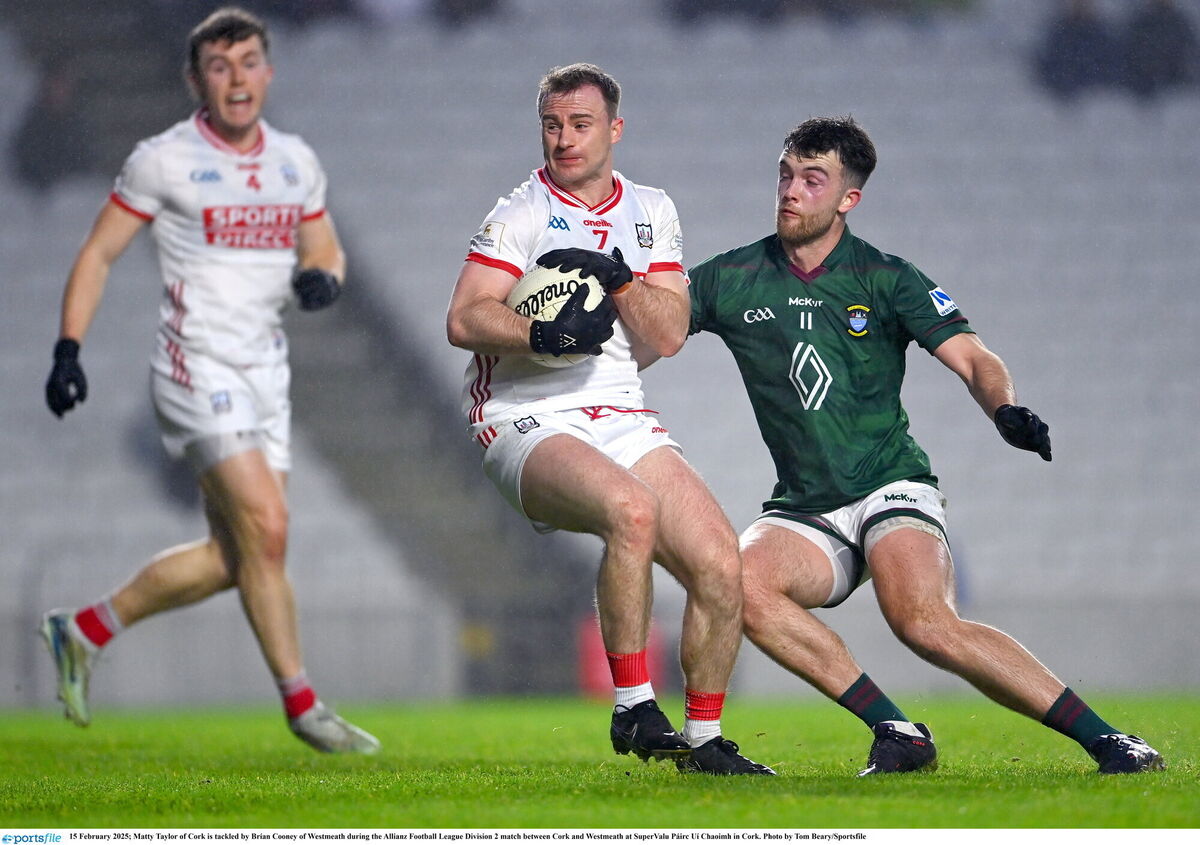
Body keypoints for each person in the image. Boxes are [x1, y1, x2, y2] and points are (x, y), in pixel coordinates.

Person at [687, 116, 1165, 776]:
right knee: (737, 583)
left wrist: (1005, 408)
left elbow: (972, 357)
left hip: (889, 482)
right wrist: (611, 294)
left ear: (848, 198)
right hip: (805, 506)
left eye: (812, 179)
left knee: (924, 622)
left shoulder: (887, 277)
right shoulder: (732, 276)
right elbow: (654, 324)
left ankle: (1109, 739)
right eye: (786, 175)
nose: (791, 191)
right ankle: (898, 730)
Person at [39, 6, 378, 754]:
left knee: (241, 556)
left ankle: (85, 628)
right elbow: (98, 253)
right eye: (220, 67)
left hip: (267, 370)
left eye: (249, 62)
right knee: (271, 528)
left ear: (268, 71)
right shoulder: (161, 159)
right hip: (194, 364)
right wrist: (69, 349)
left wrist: (325, 275)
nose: (237, 79)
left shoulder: (294, 160)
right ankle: (304, 707)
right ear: (196, 80)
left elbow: (322, 243)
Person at [445, 63, 771, 775]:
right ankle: (632, 703)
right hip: (524, 415)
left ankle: (705, 742)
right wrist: (541, 336)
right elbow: (465, 317)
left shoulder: (652, 209)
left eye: (580, 124)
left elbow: (670, 333)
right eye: (552, 125)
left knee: (720, 562)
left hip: (620, 411)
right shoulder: (520, 213)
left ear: (614, 129)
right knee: (630, 510)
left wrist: (616, 276)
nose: (564, 138)